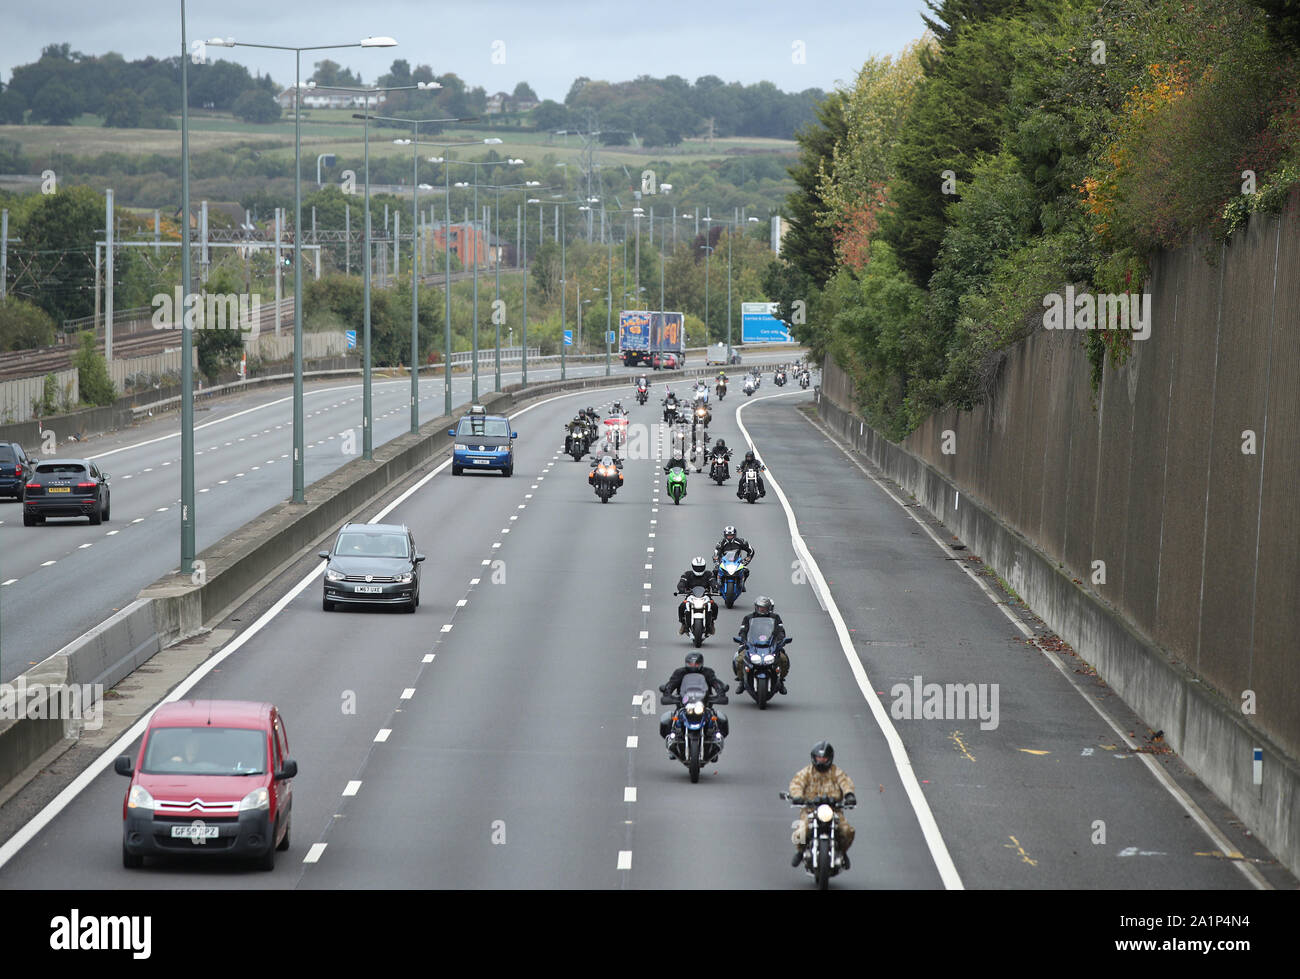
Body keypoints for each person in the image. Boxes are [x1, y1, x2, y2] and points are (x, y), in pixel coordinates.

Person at [788, 741, 856, 869]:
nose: (821, 761)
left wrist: (849, 795)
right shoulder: (807, 772)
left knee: (847, 831)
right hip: (810, 810)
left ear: (829, 758)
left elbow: (846, 783)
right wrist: (797, 796)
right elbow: (796, 783)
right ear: (813, 758)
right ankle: (800, 851)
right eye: (819, 758)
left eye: (824, 758)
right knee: (800, 833)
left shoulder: (836, 772)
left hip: (834, 810)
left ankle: (843, 852)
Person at [733, 595, 787, 693]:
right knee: (739, 659)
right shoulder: (748, 618)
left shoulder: (775, 618)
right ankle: (742, 681)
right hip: (752, 645)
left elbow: (781, 631)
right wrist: (744, 641)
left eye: (765, 608)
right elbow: (743, 632)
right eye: (760, 608)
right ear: (756, 607)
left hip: (770, 646)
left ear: (769, 608)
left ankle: (780, 681)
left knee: (783, 659)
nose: (762, 610)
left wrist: (780, 641)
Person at [661, 651, 729, 705]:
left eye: (696, 664)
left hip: (704, 703)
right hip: (684, 702)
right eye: (691, 664)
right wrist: (667, 693)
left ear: (701, 663)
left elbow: (715, 682)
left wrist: (721, 692)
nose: (693, 666)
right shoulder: (680, 672)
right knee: (668, 719)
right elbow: (672, 683)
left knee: (721, 719)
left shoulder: (707, 672)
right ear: (686, 663)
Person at [675, 556, 718, 634]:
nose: (699, 569)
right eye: (697, 567)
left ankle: (711, 622)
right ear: (693, 566)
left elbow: (713, 581)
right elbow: (681, 582)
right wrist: (681, 589)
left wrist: (715, 588)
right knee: (681, 606)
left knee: (714, 606)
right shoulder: (687, 574)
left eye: (701, 567)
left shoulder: (708, 574)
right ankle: (683, 624)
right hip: (691, 596)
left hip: (705, 596)